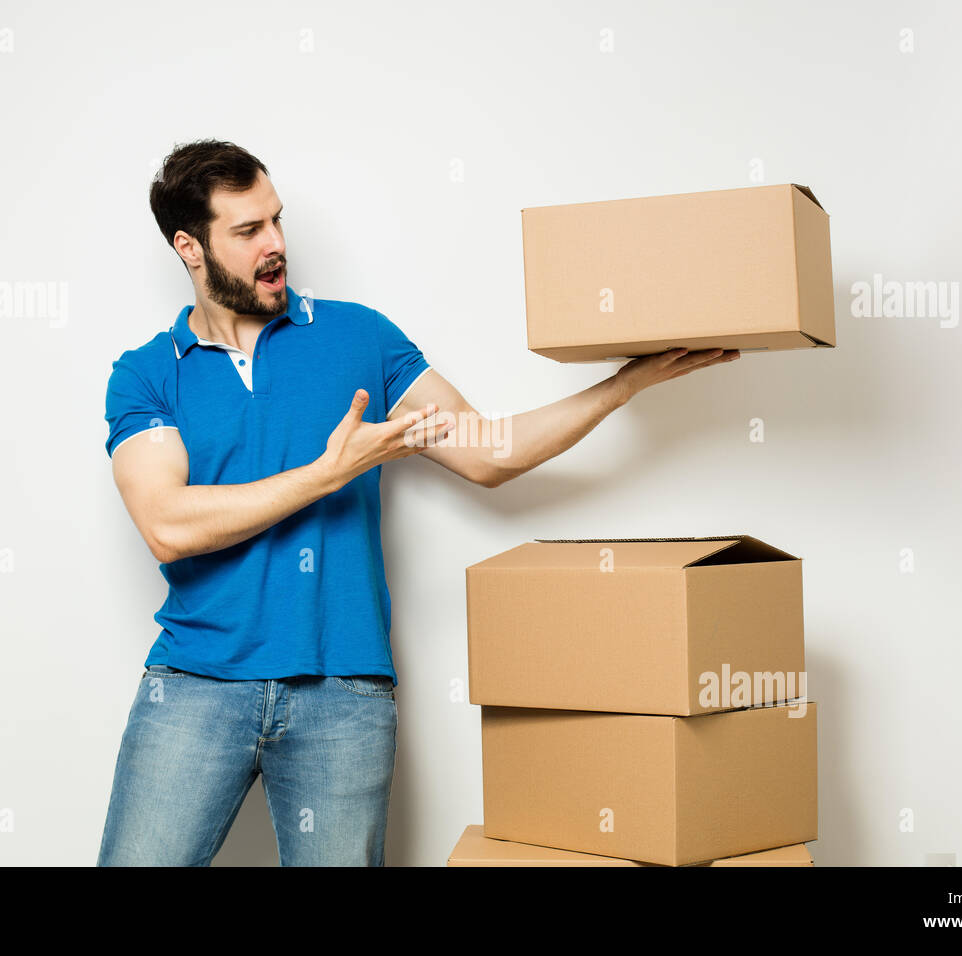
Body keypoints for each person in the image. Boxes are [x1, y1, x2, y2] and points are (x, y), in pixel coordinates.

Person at [96, 139, 739, 866]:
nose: (275, 245)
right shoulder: (147, 374)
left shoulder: (357, 337)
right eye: (247, 232)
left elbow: (487, 452)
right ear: (189, 247)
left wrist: (625, 385)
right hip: (190, 689)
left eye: (277, 220)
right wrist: (330, 471)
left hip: (342, 695)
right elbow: (167, 525)